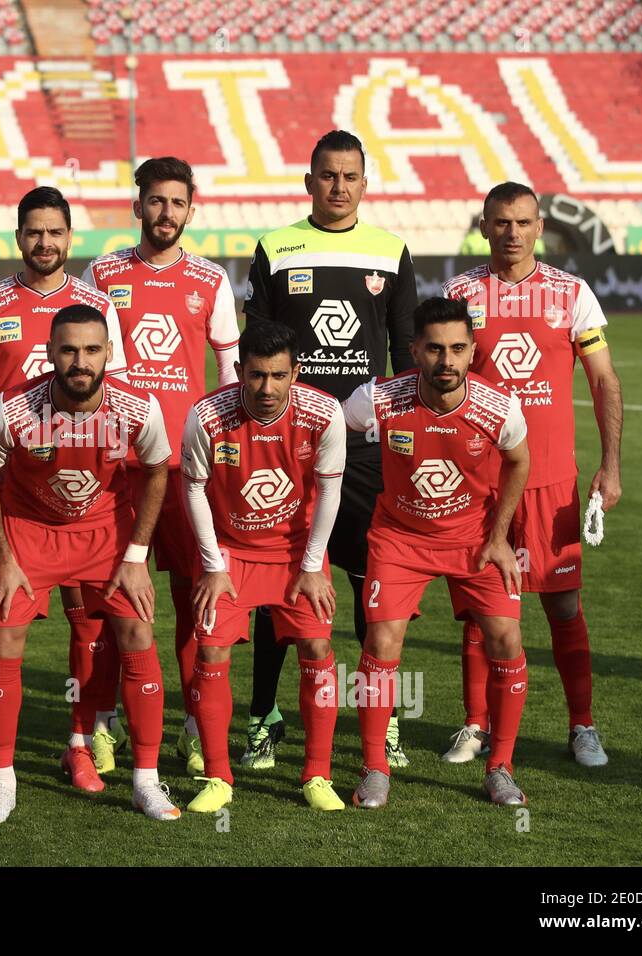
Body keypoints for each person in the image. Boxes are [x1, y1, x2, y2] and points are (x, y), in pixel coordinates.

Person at [242, 130, 417, 769]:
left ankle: (385, 719)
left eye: (349, 176)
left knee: (374, 586)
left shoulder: (391, 250)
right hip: (289, 442)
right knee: (281, 579)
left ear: (364, 182)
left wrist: (394, 432)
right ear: (308, 180)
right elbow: (257, 339)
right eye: (326, 175)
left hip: (368, 448)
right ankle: (264, 715)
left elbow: (407, 356)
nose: (338, 187)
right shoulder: (277, 246)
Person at [0, 304, 178, 823]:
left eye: (90, 350)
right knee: (6, 636)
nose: (79, 362)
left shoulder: (138, 408)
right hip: (30, 533)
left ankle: (146, 782)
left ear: (109, 353)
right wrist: (4, 556)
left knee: (136, 635)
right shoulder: (12, 410)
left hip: (105, 532)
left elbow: (156, 472)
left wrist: (135, 556)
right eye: (68, 350)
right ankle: (0, 781)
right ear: (50, 354)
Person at [0, 187, 130, 793]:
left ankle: (80, 743)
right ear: (19, 236)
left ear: (69, 237)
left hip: (87, 493)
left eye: (55, 232)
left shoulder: (95, 304)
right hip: (10, 488)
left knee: (91, 622)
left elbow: (121, 391)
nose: (45, 243)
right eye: (34, 232)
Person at [442, 182, 621, 767]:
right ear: (485, 226)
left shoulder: (572, 294)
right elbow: (441, 379)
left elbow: (602, 381)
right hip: (482, 483)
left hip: (549, 482)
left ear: (539, 226)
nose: (511, 232)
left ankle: (582, 725)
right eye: (500, 222)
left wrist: (609, 467)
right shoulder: (461, 292)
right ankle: (475, 724)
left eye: (522, 222)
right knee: (479, 607)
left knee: (563, 606)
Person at [82, 156, 240, 776]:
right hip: (119, 466)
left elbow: (230, 376)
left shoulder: (211, 279)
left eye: (177, 202)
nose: (166, 212)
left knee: (192, 598)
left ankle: (194, 725)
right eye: (155, 200)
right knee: (110, 599)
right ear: (138, 204)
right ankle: (103, 721)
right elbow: (88, 360)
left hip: (188, 468)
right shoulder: (102, 273)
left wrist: (225, 451)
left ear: (191, 207)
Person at [340, 297, 530, 809]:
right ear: (414, 350)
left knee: (506, 637)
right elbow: (328, 433)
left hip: (474, 537)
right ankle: (375, 768)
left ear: (472, 351)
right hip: (399, 538)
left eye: (457, 349)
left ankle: (500, 767)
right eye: (434, 349)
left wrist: (498, 537)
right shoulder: (377, 399)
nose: (446, 361)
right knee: (381, 641)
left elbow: (518, 462)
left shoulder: (499, 408)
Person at [181, 322, 347, 813]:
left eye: (278, 375)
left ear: (295, 372)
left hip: (297, 553)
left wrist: (314, 564)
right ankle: (218, 777)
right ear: (239, 371)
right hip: (229, 553)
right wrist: (212, 566)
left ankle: (317, 775)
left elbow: (330, 490)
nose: (267, 388)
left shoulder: (324, 413)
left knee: (317, 645)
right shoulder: (207, 415)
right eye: (256, 376)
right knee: (210, 655)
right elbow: (192, 489)